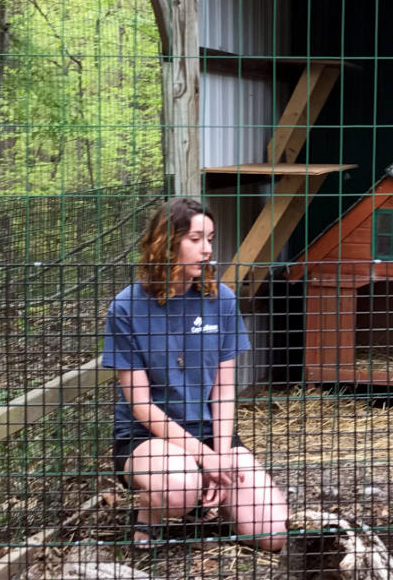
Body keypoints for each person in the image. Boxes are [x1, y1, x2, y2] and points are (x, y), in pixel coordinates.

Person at [101, 197, 288, 552]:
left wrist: (219, 454)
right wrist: (207, 460)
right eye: (196, 239)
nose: (207, 250)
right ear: (167, 242)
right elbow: (140, 405)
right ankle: (151, 512)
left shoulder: (222, 300)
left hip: (209, 433)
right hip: (146, 439)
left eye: (211, 239)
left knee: (274, 534)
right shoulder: (126, 307)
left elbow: (223, 391)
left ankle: (210, 500)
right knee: (179, 486)